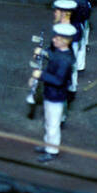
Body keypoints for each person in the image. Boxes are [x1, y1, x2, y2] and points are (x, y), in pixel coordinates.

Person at [31, 23, 76, 162]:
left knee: (53, 124)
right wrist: (44, 53)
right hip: (51, 93)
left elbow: (58, 80)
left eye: (57, 38)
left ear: (65, 41)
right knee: (48, 121)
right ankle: (47, 144)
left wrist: (41, 74)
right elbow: (53, 57)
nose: (54, 40)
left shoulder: (65, 60)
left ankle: (51, 150)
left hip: (56, 95)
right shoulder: (60, 53)